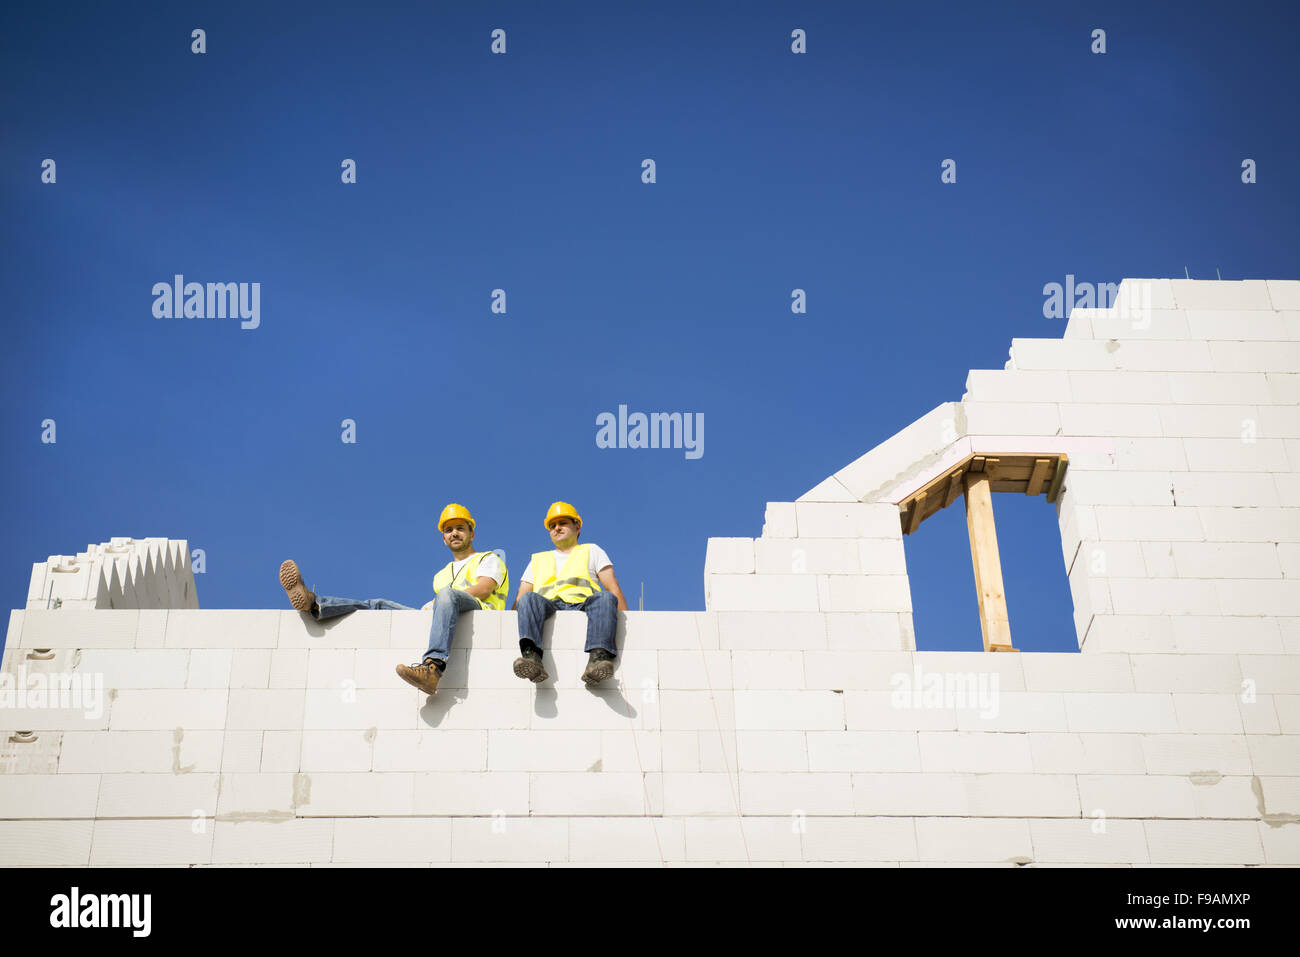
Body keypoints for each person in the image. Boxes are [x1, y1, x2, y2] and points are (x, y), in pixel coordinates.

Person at [278, 503, 507, 696]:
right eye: (448, 530)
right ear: (443, 538)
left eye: (460, 528)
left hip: (477, 611)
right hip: (445, 613)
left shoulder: (488, 558)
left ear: (472, 533)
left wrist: (440, 601)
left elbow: (485, 588)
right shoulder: (442, 573)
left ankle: (433, 668)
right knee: (378, 604)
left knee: (445, 595)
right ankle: (316, 603)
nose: (454, 533)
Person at [513, 501, 628, 685]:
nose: (557, 528)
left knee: (605, 598)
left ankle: (598, 659)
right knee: (528, 599)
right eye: (552, 526)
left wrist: (629, 620)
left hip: (583, 604)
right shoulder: (538, 559)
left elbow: (612, 587)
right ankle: (531, 657)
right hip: (548, 606)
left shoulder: (592, 550)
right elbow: (521, 596)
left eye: (562, 523)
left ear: (577, 526)